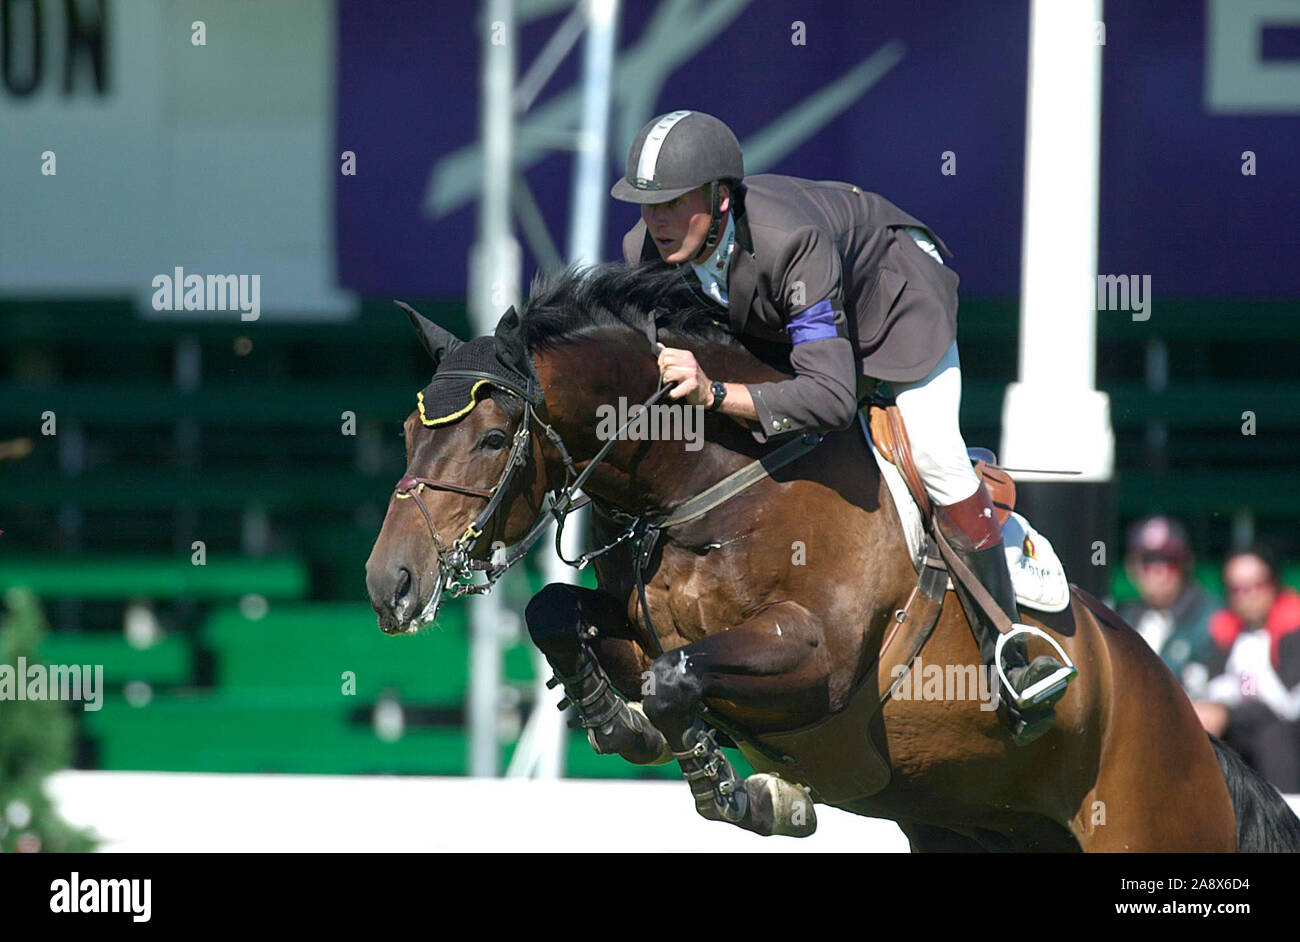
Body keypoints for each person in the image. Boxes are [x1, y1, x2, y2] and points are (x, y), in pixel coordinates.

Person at [611, 110, 1075, 745]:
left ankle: (1011, 650)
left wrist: (717, 391)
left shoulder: (787, 239)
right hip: (787, 319)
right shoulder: (647, 253)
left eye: (671, 203)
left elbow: (830, 398)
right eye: (646, 205)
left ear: (720, 198)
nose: (655, 221)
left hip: (895, 296)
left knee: (935, 453)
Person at [1192, 546, 1300, 793]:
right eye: (1237, 589)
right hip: (1239, 732)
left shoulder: (1294, 628)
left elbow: (1289, 704)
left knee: (1275, 736)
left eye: (1257, 585)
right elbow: (1209, 687)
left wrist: (1228, 711)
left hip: (1285, 738)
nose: (1247, 596)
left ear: (1274, 583)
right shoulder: (1226, 631)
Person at [1118, 516, 1221, 697]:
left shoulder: (1214, 617)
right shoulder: (1119, 621)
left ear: (1187, 563)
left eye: (1169, 560)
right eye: (1148, 561)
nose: (1160, 571)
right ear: (1131, 567)